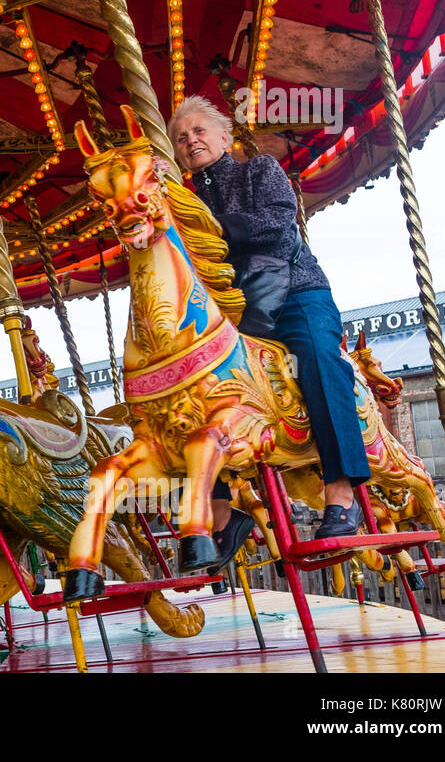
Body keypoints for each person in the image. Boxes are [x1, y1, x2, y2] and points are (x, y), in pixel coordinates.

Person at [168, 95, 371, 573]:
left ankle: (341, 493)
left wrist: (210, 227)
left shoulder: (258, 170)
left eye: (199, 131)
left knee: (320, 358)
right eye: (181, 137)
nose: (191, 140)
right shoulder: (186, 198)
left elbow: (278, 225)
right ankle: (222, 511)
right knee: (193, 393)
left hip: (296, 292)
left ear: (223, 137)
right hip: (235, 308)